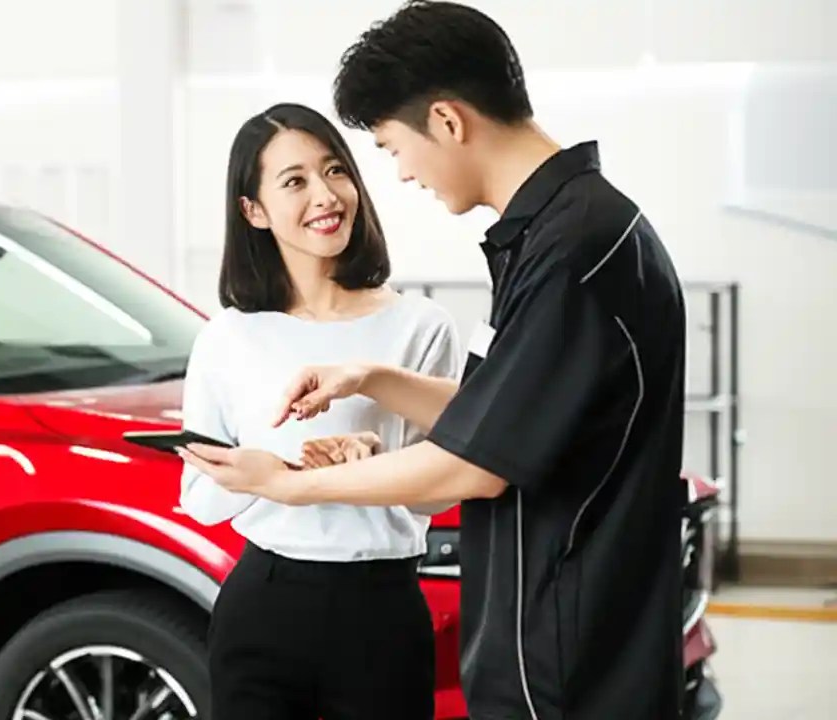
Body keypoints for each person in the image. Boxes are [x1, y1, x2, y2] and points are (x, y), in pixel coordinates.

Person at [178, 3, 689, 720]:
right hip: (549, 641)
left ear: (446, 122)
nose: (402, 174)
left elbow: (473, 463)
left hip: (567, 655)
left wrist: (291, 485)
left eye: (386, 149)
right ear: (252, 210)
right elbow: (502, 418)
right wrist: (371, 379)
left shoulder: (574, 250)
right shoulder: (558, 238)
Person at [178, 101, 461, 720]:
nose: (326, 195)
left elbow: (438, 494)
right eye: (294, 181)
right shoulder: (228, 337)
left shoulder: (420, 327)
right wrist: (270, 471)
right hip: (264, 606)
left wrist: (380, 463)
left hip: (381, 610)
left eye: (335, 171)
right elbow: (198, 498)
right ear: (252, 210)